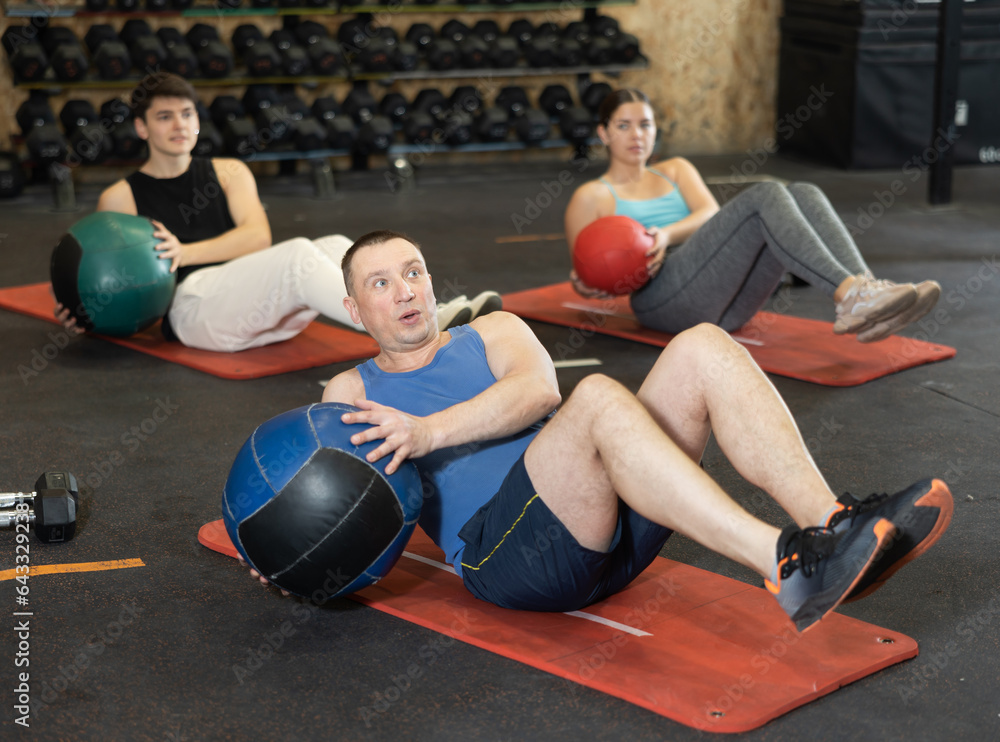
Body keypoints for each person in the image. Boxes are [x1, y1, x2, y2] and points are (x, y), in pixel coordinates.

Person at [277, 230, 952, 633]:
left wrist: (425, 433)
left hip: (604, 525)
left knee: (702, 347)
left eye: (414, 272)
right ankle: (785, 564)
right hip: (509, 558)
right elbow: (322, 494)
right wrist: (281, 549)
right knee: (598, 397)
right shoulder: (352, 392)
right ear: (351, 307)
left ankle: (832, 527)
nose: (405, 291)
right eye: (381, 282)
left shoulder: (493, 331)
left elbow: (537, 392)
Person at [54, 72, 499, 352]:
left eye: (187, 114)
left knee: (337, 247)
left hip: (260, 303)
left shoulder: (228, 172)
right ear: (141, 127)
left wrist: (183, 250)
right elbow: (102, 273)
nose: (179, 126)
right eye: (165, 117)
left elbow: (256, 238)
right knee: (298, 255)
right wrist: (84, 310)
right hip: (192, 313)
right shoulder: (121, 196)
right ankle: (423, 331)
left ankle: (431, 311)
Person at [563, 89, 941, 344]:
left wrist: (662, 234)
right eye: (623, 126)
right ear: (603, 133)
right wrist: (588, 285)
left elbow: (710, 214)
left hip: (725, 301)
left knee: (804, 192)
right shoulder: (591, 196)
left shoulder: (675, 169)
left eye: (645, 125)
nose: (636, 135)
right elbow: (587, 274)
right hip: (662, 303)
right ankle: (851, 295)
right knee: (766, 194)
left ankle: (870, 300)